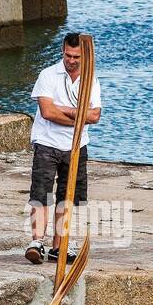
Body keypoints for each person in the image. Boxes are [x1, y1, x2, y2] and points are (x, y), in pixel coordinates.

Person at [24, 32, 101, 264]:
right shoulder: (47, 75)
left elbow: (95, 115)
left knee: (67, 199)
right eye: (68, 55)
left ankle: (59, 246)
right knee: (40, 195)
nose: (71, 60)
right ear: (62, 51)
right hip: (47, 142)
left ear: (84, 56)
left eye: (76, 56)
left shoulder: (90, 79)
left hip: (77, 145)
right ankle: (37, 241)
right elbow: (47, 111)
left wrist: (65, 109)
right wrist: (78, 116)